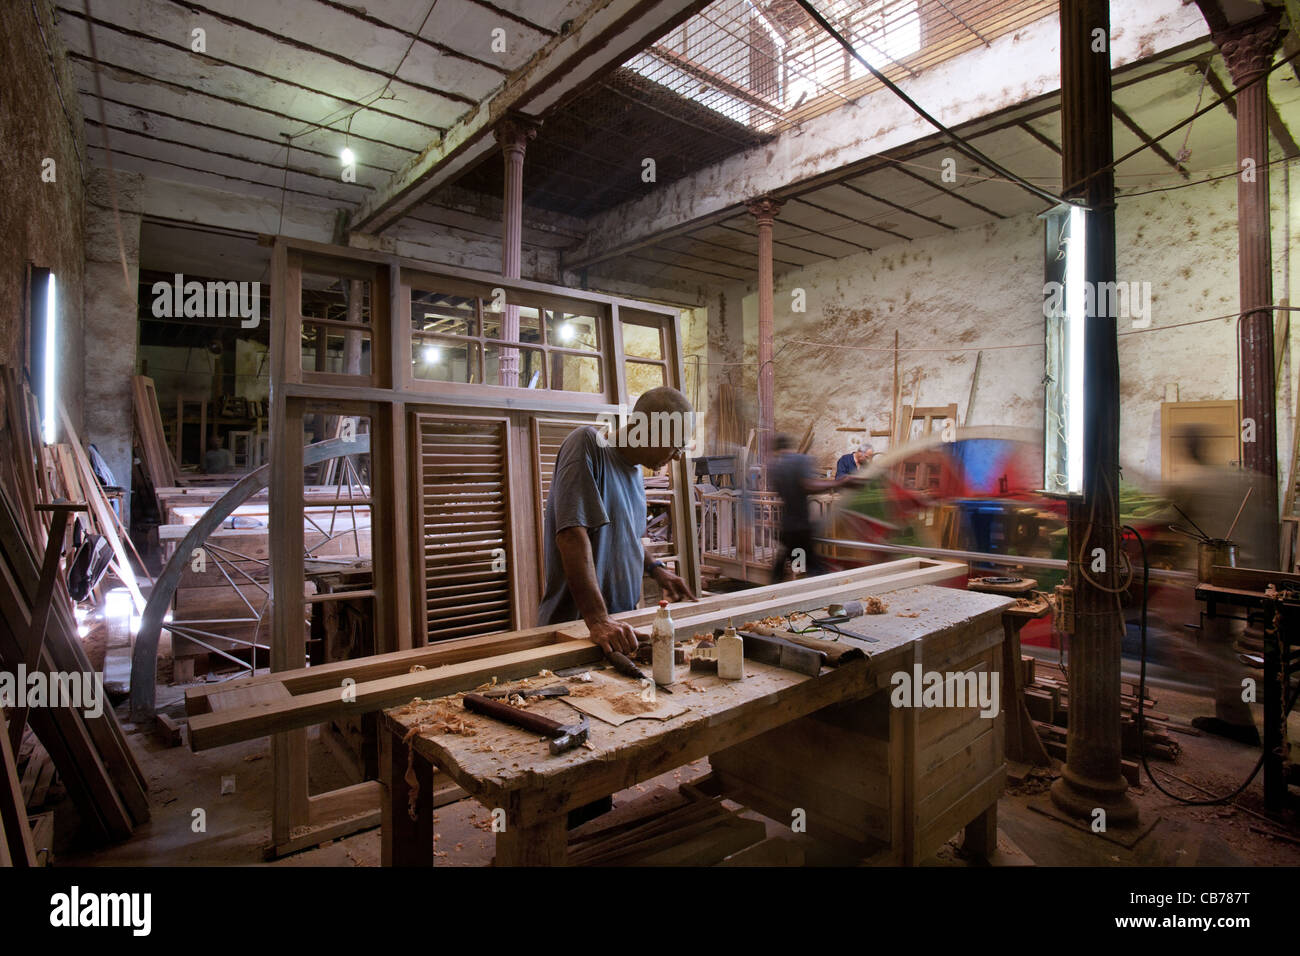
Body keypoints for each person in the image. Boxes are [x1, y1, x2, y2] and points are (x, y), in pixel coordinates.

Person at [538, 386, 697, 656]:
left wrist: (656, 569)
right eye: (676, 444)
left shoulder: (635, 474)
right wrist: (598, 620)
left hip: (618, 632)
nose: (679, 455)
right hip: (578, 631)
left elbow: (627, 536)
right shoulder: (588, 444)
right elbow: (572, 535)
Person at [769, 434, 862, 582]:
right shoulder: (800, 460)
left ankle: (777, 589)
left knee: (791, 561)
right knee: (812, 565)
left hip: (787, 526)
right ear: (790, 446)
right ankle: (823, 590)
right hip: (800, 526)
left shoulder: (775, 467)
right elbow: (808, 485)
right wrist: (839, 483)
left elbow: (782, 491)